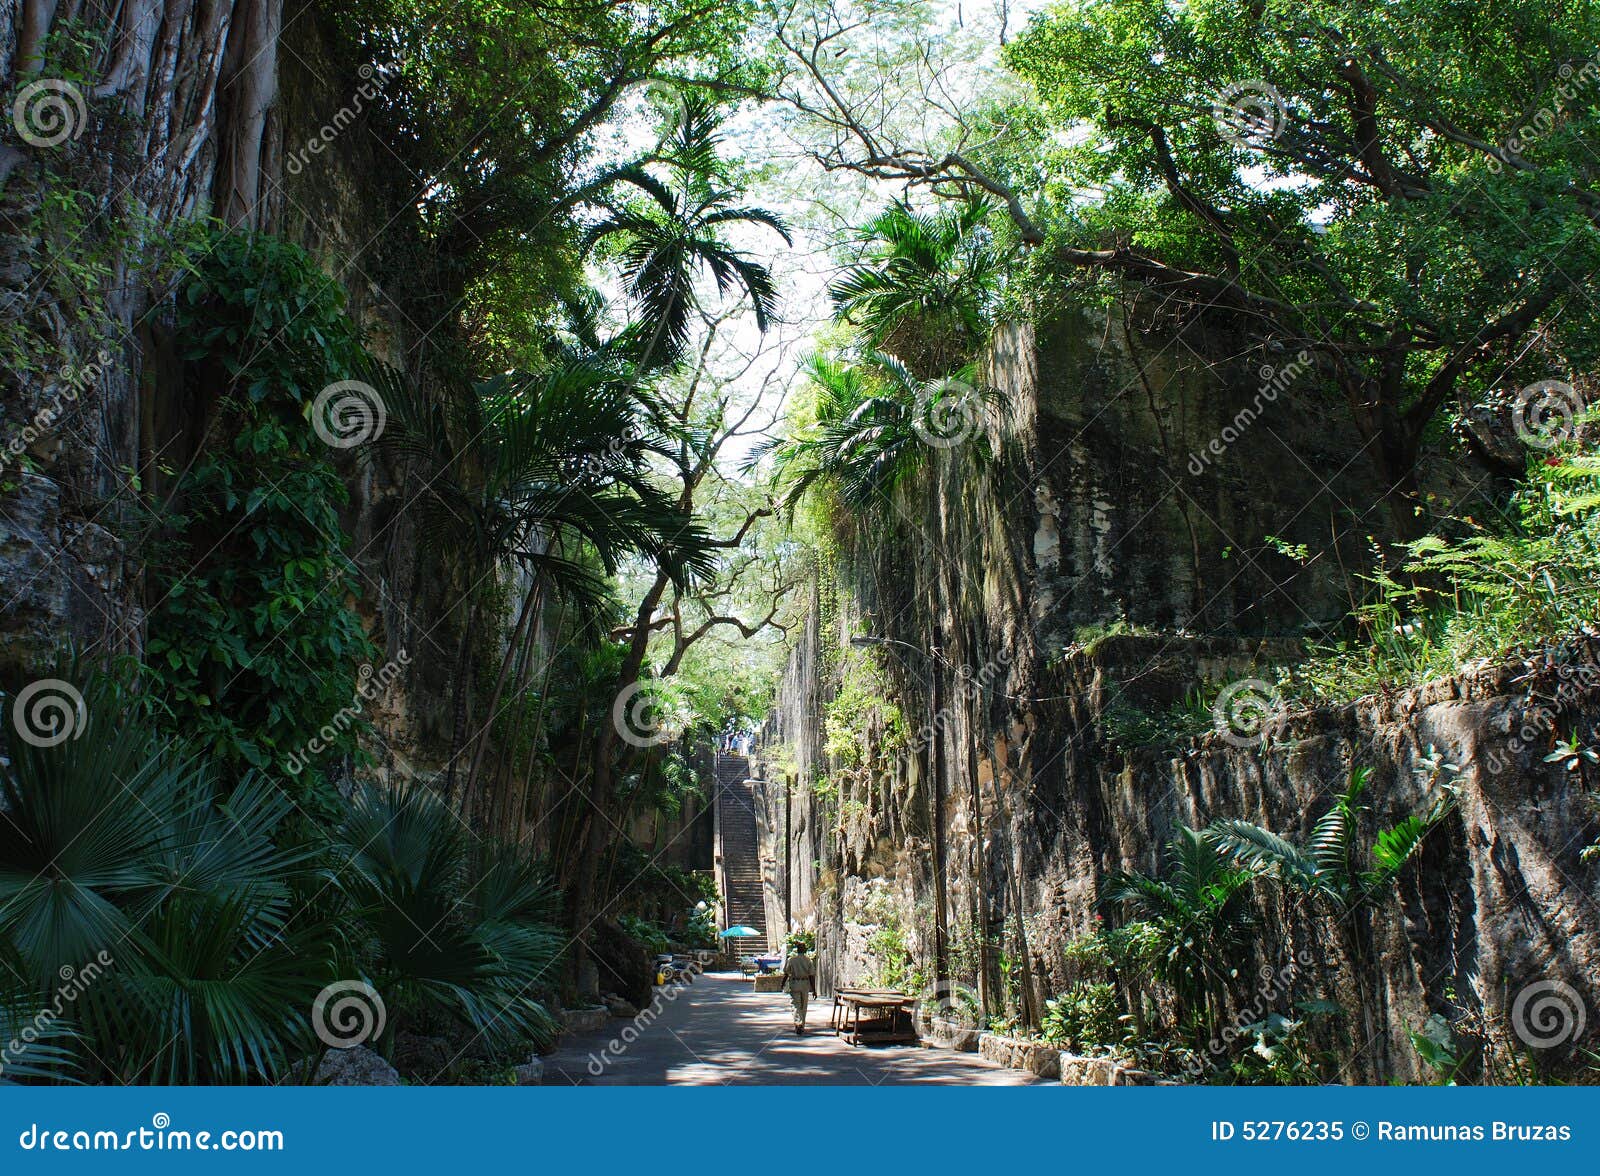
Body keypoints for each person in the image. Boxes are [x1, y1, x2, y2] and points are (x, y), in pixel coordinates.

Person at [781, 941, 817, 1035]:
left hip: (795, 983)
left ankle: (798, 1023)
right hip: (805, 983)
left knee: (795, 1004)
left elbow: (786, 973)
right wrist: (814, 989)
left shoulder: (791, 960)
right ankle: (801, 1024)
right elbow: (811, 976)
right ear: (804, 950)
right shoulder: (808, 961)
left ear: (797, 950)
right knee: (803, 1005)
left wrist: (782, 983)